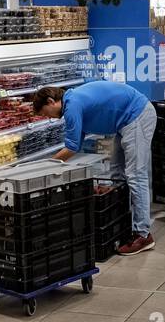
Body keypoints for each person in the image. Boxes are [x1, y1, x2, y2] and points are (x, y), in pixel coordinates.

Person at [33, 81, 158, 255]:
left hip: (137, 115)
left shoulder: (72, 106)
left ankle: (143, 234)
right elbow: (76, 141)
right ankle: (121, 224)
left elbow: (71, 147)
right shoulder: (73, 101)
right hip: (125, 122)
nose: (49, 118)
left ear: (50, 101)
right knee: (116, 174)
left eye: (46, 114)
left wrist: (46, 166)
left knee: (136, 175)